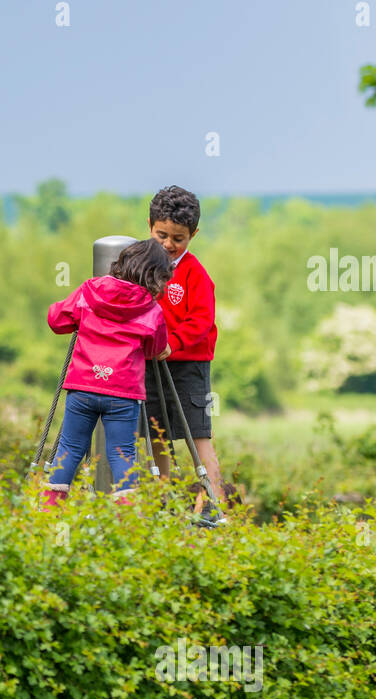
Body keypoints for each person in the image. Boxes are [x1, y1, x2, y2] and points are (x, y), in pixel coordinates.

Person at [41, 239, 170, 507]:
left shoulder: (90, 291)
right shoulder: (151, 309)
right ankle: (124, 524)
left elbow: (56, 320)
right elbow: (154, 349)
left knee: (70, 449)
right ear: (156, 277)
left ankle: (50, 515)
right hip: (123, 393)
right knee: (122, 454)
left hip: (83, 386)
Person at [142, 185, 228, 520]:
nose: (168, 244)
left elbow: (202, 321)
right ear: (150, 225)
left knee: (198, 436)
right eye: (161, 234)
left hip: (188, 364)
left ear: (192, 234)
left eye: (178, 238)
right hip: (150, 364)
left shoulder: (195, 273)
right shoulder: (143, 264)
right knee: (157, 436)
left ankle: (215, 506)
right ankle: (163, 504)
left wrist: (173, 343)